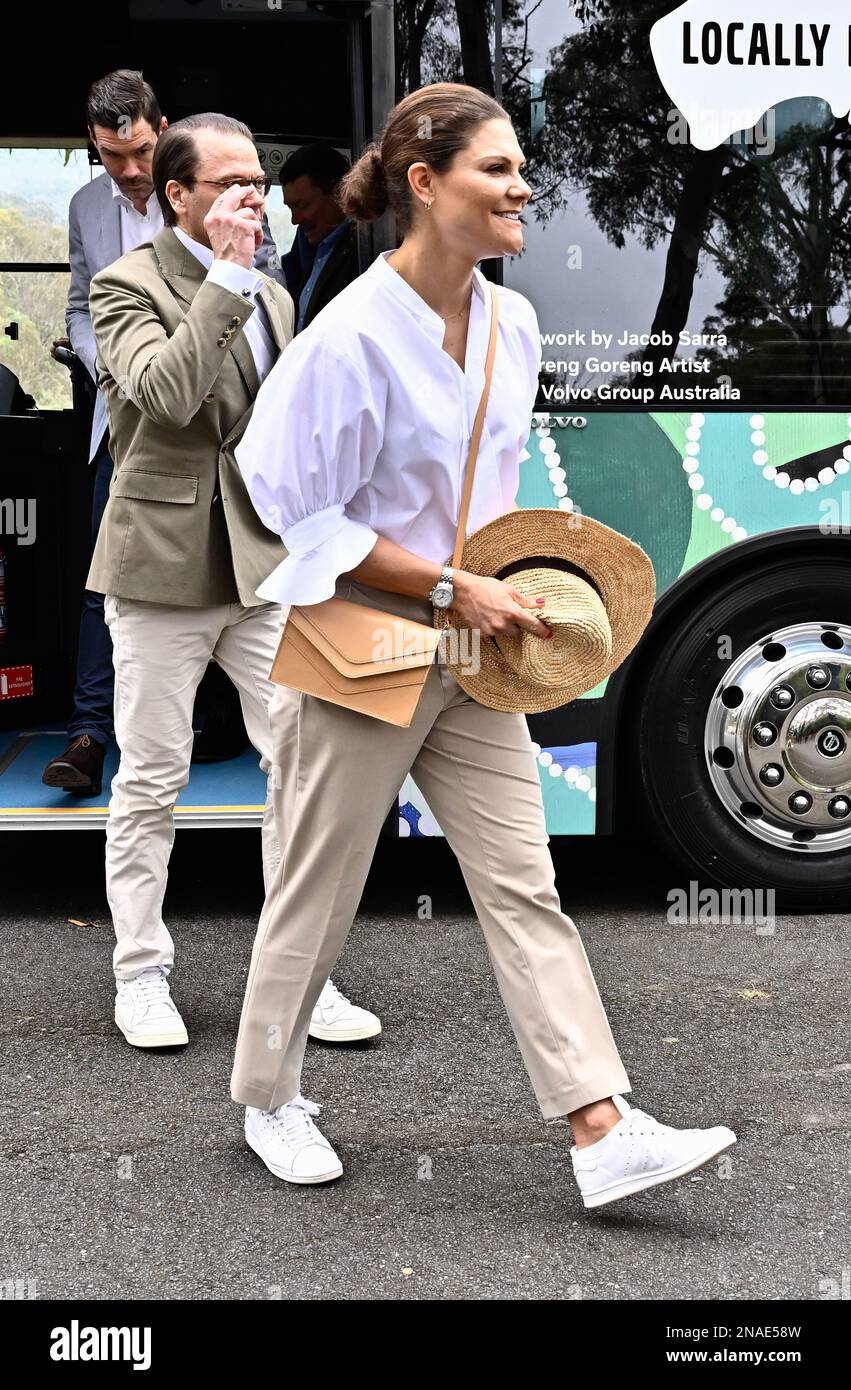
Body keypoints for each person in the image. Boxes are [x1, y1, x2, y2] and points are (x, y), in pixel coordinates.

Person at [228, 82, 737, 1208]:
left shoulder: (514, 323)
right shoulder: (350, 337)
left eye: (521, 168)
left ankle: (598, 1127)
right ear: (423, 183)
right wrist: (448, 583)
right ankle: (268, 1097)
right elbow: (292, 512)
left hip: (477, 653)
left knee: (523, 887)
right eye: (496, 169)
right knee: (319, 889)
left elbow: (489, 491)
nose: (521, 187)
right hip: (368, 647)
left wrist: (498, 590)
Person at [86, 112, 380, 1053]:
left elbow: (286, 428)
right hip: (159, 565)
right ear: (178, 195)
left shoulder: (275, 291)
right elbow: (169, 398)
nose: (254, 195)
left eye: (259, 179)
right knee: (152, 776)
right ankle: (141, 973)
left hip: (261, 565)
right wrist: (222, 278)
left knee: (299, 764)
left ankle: (301, 972)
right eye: (232, 183)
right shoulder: (123, 285)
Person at [42, 69, 283, 799]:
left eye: (141, 151)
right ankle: (89, 732)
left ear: (164, 135)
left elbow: (260, 302)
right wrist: (106, 365)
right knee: (114, 583)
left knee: (223, 586)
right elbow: (84, 305)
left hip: (236, 463)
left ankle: (212, 724)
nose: (130, 171)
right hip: (139, 429)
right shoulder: (90, 211)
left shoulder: (237, 218)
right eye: (111, 156)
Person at [278, 143, 359, 332]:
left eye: (302, 205)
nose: (294, 219)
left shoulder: (364, 249)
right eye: (290, 208)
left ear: (339, 192)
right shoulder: (307, 246)